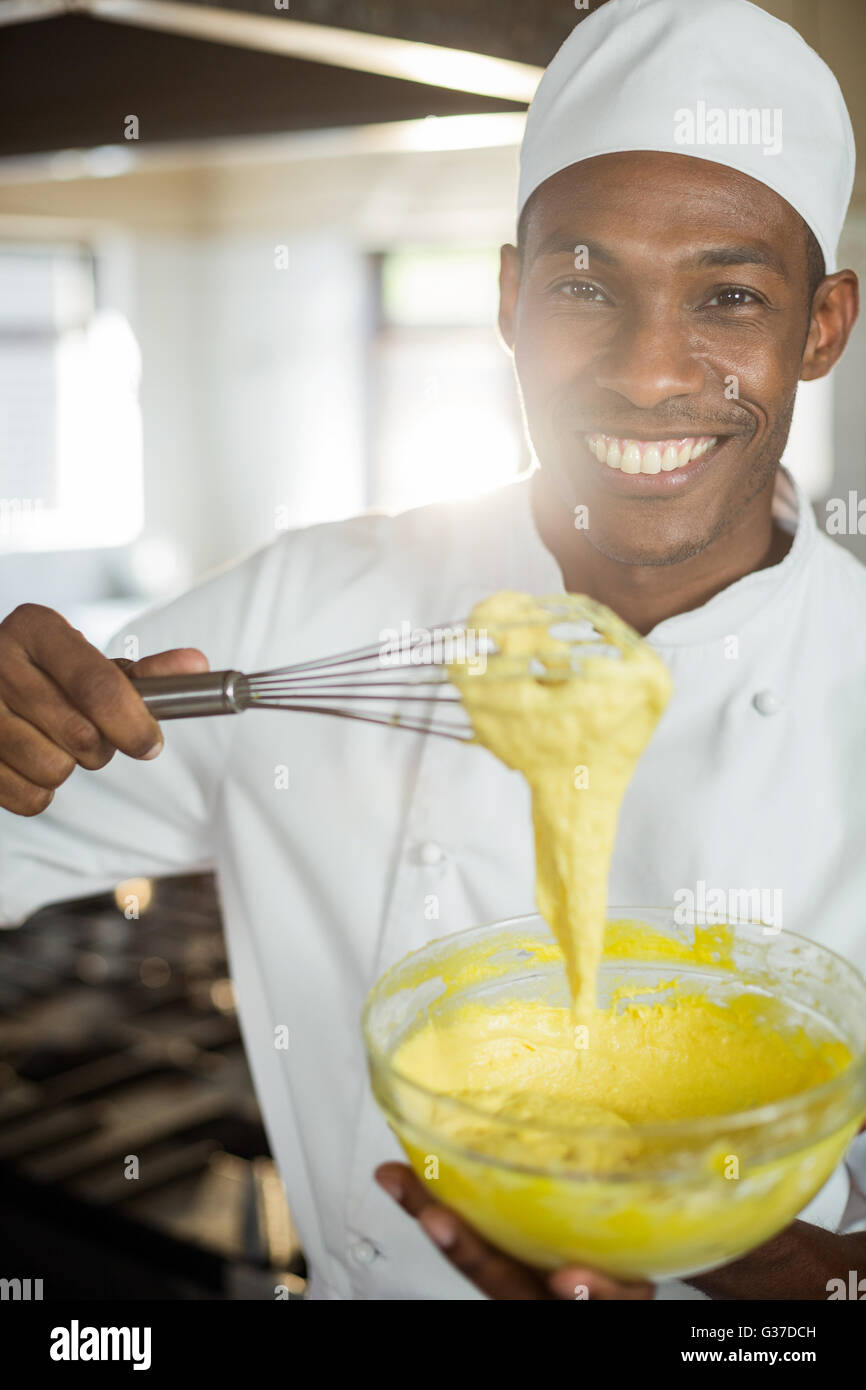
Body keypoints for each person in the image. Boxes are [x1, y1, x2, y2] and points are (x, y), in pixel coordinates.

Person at [0, 0, 864, 1300]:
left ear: (820, 326)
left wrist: (773, 1277)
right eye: (583, 284)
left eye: (728, 295)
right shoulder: (294, 612)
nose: (644, 371)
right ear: (508, 299)